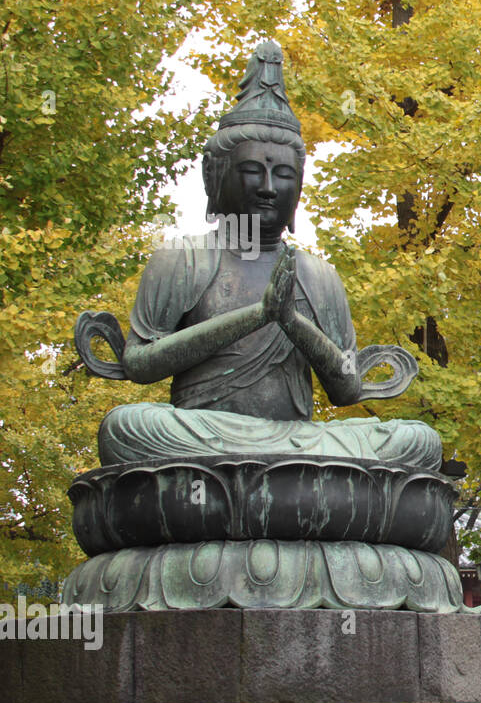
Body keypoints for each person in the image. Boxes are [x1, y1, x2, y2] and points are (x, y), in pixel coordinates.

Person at [94, 40, 439, 469]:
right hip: (203, 435)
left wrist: (291, 321)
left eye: (283, 174)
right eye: (252, 170)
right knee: (129, 427)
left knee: (415, 441)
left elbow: (346, 389)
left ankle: (281, 482)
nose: (269, 188)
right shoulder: (183, 259)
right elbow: (140, 363)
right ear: (217, 177)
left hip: (296, 442)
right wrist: (257, 315)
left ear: (298, 187)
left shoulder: (318, 274)